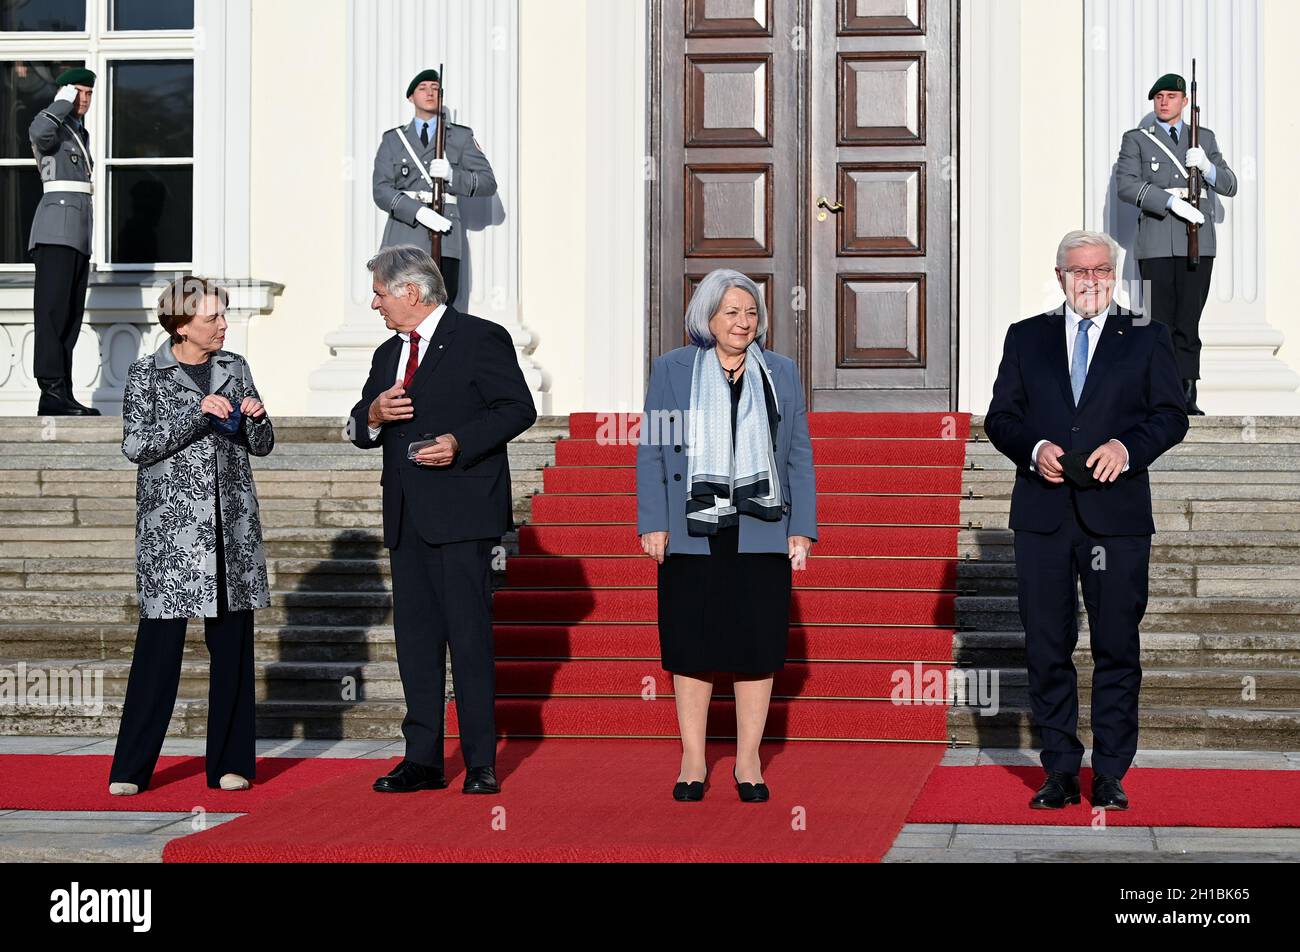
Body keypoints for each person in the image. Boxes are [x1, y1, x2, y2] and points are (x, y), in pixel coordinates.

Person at [985, 230, 1188, 811]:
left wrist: (1128, 448)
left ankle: (1111, 773)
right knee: (1047, 646)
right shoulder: (1027, 338)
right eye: (1079, 272)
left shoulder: (1148, 338)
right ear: (1060, 277)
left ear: (1114, 275)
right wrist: (1034, 448)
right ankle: (1059, 770)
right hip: (1043, 516)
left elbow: (1171, 416)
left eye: (1101, 270)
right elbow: (1002, 417)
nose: (1091, 280)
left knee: (1117, 647)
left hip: (1116, 517)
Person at [349, 246, 535, 795]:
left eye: (380, 293)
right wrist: (373, 416)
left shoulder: (480, 337)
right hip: (406, 515)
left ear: (410, 291)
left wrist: (459, 443)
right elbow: (362, 422)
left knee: (469, 639)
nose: (374, 303)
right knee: (416, 642)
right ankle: (423, 759)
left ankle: (480, 760)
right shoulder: (387, 353)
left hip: (463, 512)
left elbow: (516, 408)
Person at [635, 269, 817, 803]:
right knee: (691, 644)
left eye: (751, 313)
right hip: (691, 526)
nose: (743, 323)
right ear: (707, 317)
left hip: (760, 527)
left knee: (755, 645)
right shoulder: (673, 370)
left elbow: (798, 453)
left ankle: (748, 760)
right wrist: (654, 520)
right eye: (732, 312)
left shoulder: (780, 371)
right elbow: (653, 450)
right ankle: (693, 758)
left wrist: (801, 527)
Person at [108, 276, 274, 795]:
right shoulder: (146, 374)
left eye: (223, 316)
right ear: (181, 323)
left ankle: (232, 764)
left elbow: (263, 445)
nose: (223, 325)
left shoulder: (235, 368)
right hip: (173, 536)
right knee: (158, 653)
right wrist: (195, 414)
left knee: (233, 651)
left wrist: (256, 418)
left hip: (231, 527)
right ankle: (131, 769)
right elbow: (136, 446)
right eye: (212, 318)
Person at [1116, 71, 1237, 415]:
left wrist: (1209, 169)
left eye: (1171, 96)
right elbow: (1127, 185)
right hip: (1155, 244)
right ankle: (1159, 396)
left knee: (1188, 321)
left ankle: (1187, 395)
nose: (1164, 102)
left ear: (1185, 102)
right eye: (1159, 97)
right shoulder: (1138, 139)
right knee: (1157, 322)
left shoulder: (1205, 139)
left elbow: (1230, 184)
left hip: (1197, 243)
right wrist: (1169, 202)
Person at [372, 68, 497, 308]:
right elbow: (381, 190)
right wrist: (418, 212)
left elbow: (487, 182)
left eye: (435, 89)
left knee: (440, 304)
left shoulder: (460, 137)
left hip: (445, 232)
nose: (430, 93)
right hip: (404, 232)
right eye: (423, 88)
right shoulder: (394, 139)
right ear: (411, 97)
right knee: (401, 303)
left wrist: (453, 175)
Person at [28, 67, 99, 416]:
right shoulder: (55, 125)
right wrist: (60, 103)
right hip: (56, 231)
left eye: (88, 93)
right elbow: (38, 131)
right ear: (66, 93)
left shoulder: (79, 133)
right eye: (78, 92)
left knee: (70, 317)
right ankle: (50, 389)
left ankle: (62, 393)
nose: (83, 99)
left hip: (77, 235)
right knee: (53, 313)